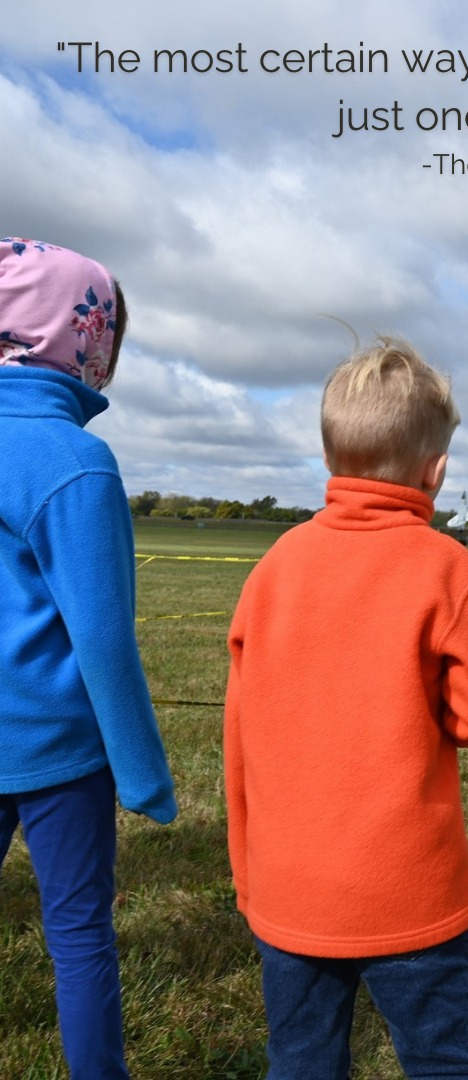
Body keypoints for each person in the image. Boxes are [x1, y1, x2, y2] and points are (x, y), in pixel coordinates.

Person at [225, 337, 468, 1079]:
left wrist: (248, 872)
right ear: (436, 471)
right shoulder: (443, 565)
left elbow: (238, 733)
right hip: (410, 896)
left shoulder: (275, 567)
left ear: (332, 455)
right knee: (451, 1064)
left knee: (300, 1063)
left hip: (288, 890)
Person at [0, 237, 178, 1078]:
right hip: (59, 753)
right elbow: (102, 637)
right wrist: (143, 774)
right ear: (83, 343)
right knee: (78, 935)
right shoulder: (74, 461)